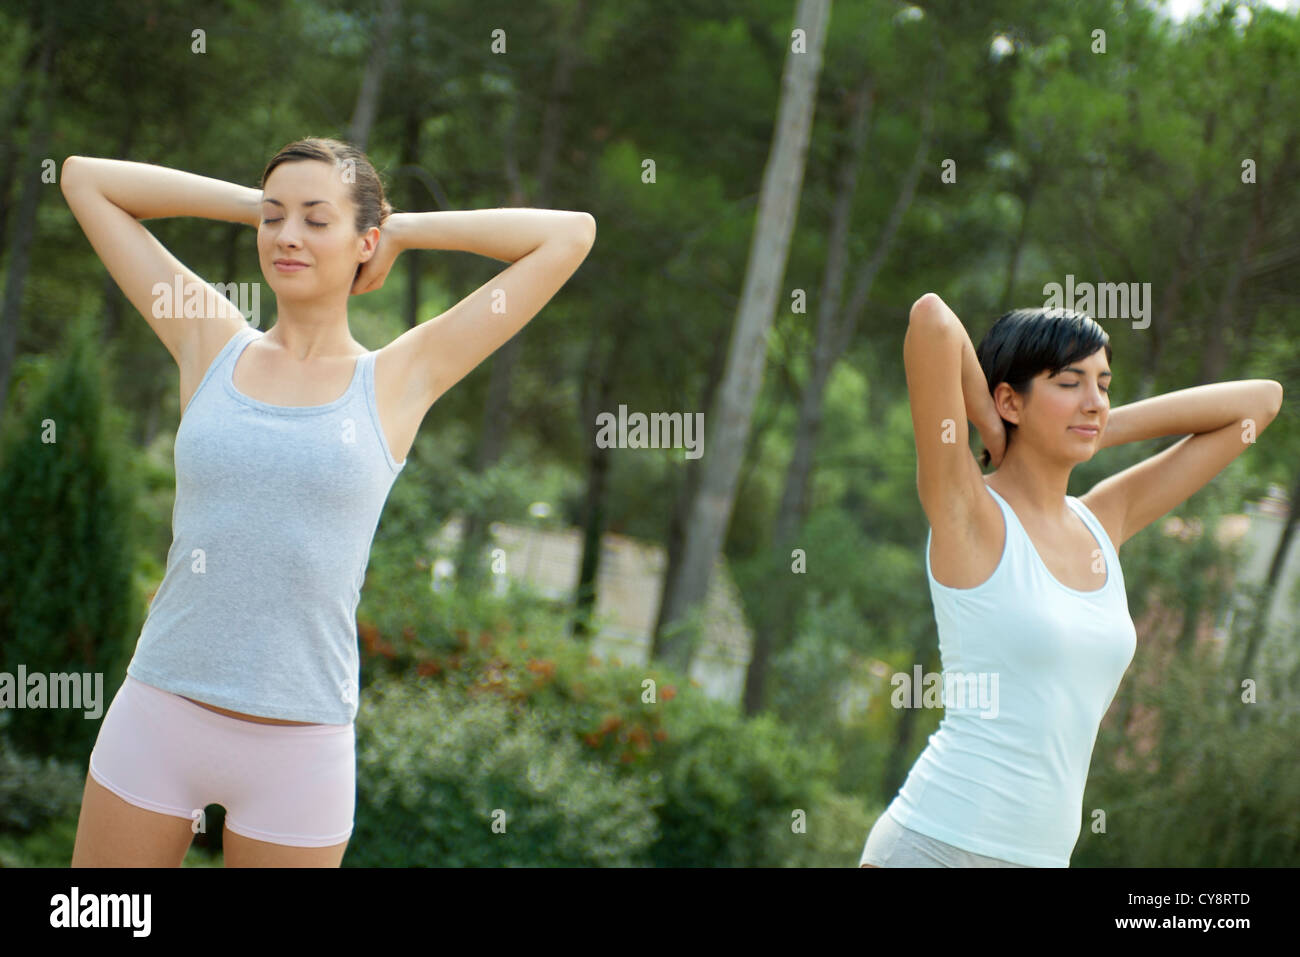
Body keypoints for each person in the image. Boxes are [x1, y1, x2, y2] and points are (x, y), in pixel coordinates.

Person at [62, 137, 596, 867]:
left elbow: (570, 235)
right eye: (274, 219)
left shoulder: (401, 377)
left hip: (301, 745)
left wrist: (404, 229)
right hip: (161, 710)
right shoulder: (206, 336)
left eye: (317, 220)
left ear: (363, 243)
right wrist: (257, 202)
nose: (287, 236)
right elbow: (87, 180)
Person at [860, 292, 1283, 867]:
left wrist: (1095, 427)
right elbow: (932, 318)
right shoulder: (969, 514)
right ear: (1010, 397)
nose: (1094, 399)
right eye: (1069, 382)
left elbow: (1260, 403)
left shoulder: (1103, 521)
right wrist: (990, 423)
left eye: (1103, 385)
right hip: (938, 844)